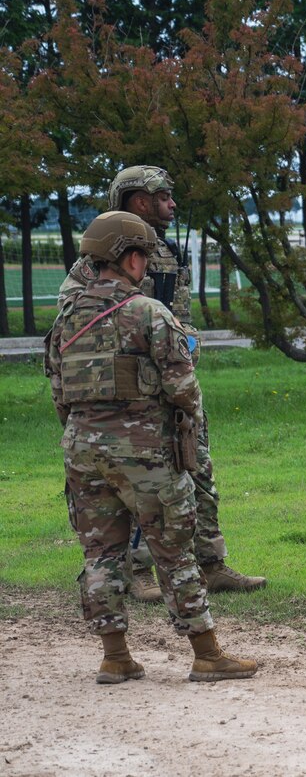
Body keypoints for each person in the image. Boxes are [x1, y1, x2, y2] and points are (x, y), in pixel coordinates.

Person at [44, 211, 256, 684]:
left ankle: (115, 656)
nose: (145, 263)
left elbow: (60, 394)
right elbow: (184, 388)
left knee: (100, 556)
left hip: (82, 453)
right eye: (142, 254)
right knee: (175, 554)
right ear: (129, 257)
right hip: (146, 455)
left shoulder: (66, 320)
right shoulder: (148, 312)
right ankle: (206, 654)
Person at [59, 166, 264, 599]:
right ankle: (135, 572)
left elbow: (180, 319)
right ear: (139, 202)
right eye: (165, 196)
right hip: (127, 400)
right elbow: (73, 322)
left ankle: (212, 563)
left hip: (172, 384)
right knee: (137, 483)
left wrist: (189, 345)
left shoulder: (167, 254)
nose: (173, 204)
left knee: (200, 471)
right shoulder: (95, 261)